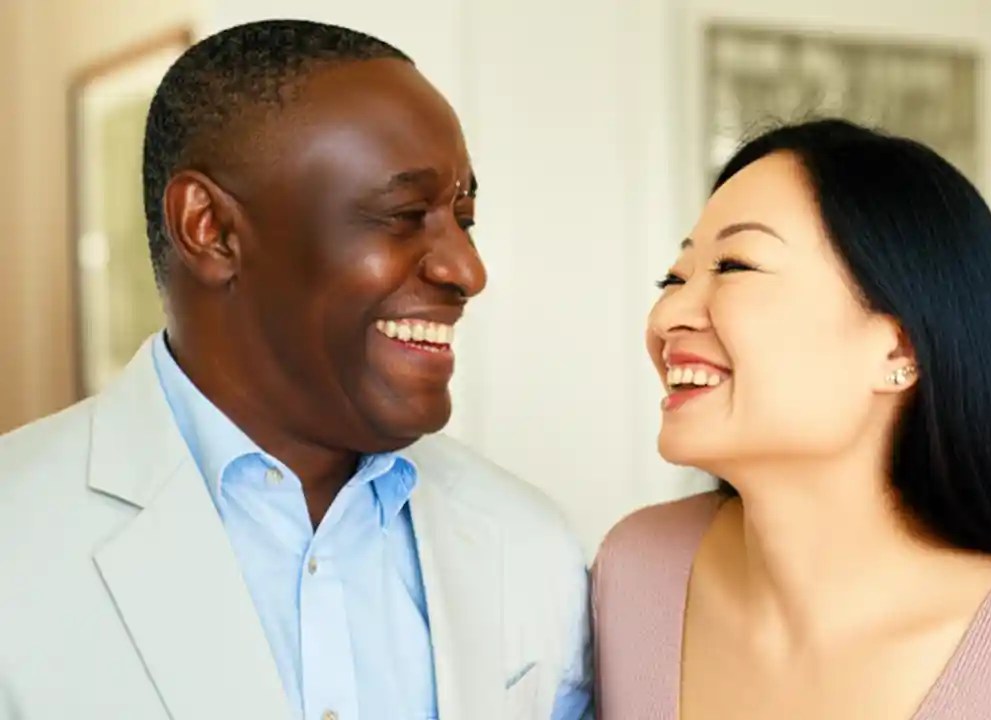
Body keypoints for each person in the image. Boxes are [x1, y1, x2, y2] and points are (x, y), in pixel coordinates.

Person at [0, 19, 591, 720]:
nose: (467, 269)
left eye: (464, 216)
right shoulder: (18, 535)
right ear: (210, 229)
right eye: (405, 213)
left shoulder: (530, 547)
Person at [592, 119, 991, 719]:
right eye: (674, 277)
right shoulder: (635, 572)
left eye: (736, 266)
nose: (668, 313)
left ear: (899, 351)